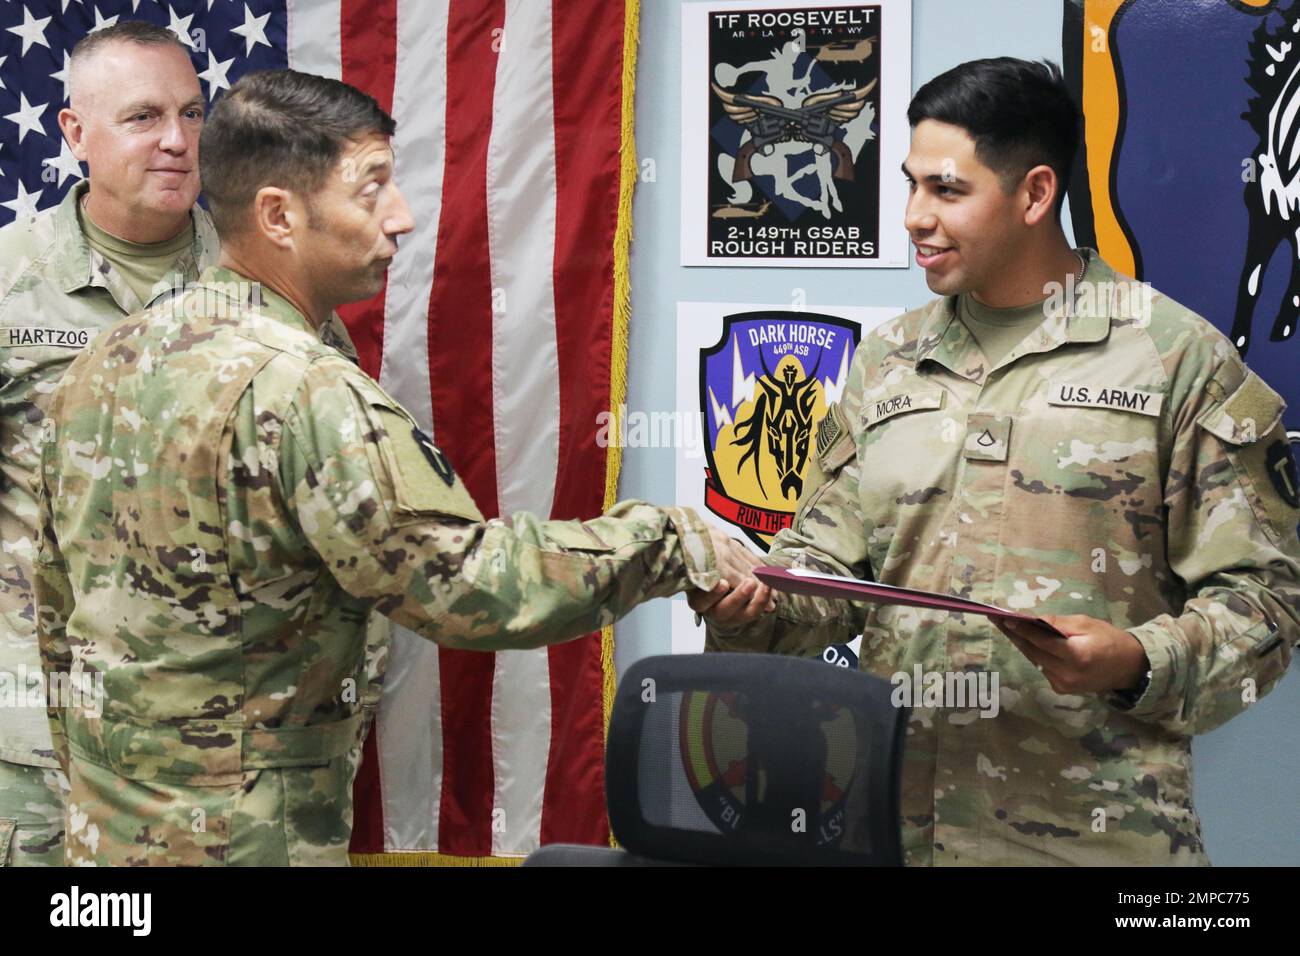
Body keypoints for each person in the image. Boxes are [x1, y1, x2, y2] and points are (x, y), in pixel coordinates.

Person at [33, 68, 759, 866]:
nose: (401, 216)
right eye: (371, 187)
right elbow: (470, 587)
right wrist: (667, 541)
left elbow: (56, 612)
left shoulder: (105, 358)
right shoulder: (304, 388)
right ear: (278, 215)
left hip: (104, 838)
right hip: (245, 840)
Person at [692, 57, 1300, 866]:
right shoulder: (888, 362)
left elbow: (1267, 606)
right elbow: (826, 576)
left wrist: (1136, 661)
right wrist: (752, 606)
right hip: (890, 830)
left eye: (947, 191)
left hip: (1094, 842)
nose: (914, 216)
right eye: (911, 185)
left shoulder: (1175, 359)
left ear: (1035, 194)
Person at [0, 21, 222, 867]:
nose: (176, 140)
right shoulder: (9, 282)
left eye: (192, 114)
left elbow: (339, 513)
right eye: (143, 117)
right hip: (38, 742)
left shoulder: (264, 284)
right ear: (74, 131)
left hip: (218, 743)